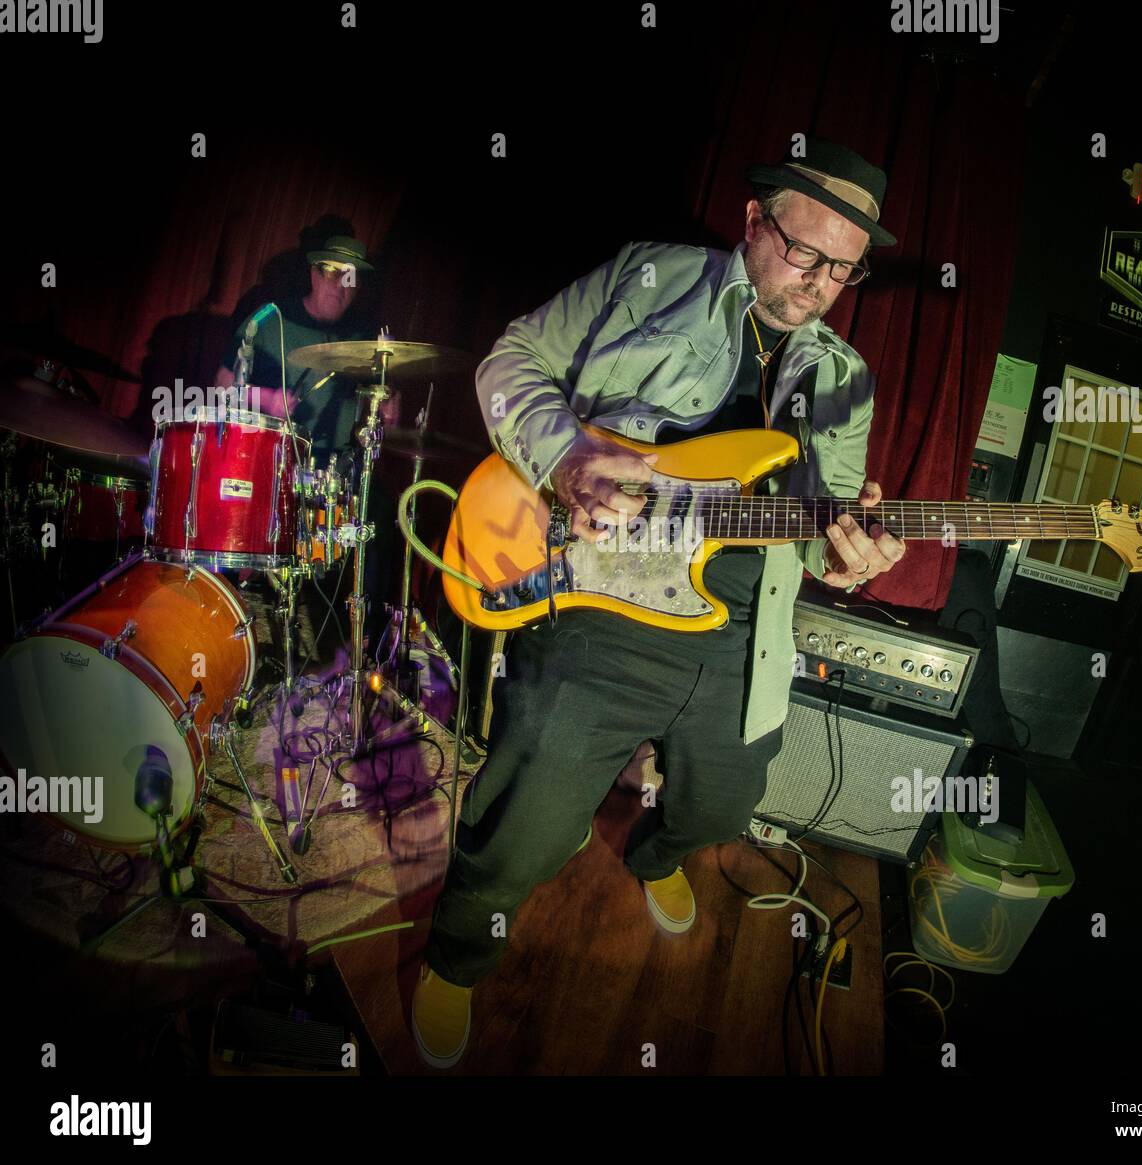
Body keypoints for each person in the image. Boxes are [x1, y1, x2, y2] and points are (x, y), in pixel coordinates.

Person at [411, 140, 907, 1068]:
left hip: (741, 628)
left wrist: (846, 559)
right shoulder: (647, 276)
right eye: (806, 253)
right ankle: (458, 952)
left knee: (724, 806)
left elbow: (819, 525)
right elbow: (509, 361)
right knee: (531, 813)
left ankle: (651, 854)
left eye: (843, 268)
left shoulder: (844, 377)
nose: (818, 284)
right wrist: (568, 457)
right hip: (599, 588)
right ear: (756, 222)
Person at [214, 235, 397, 655]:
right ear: (315, 274)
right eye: (335, 277)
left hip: (336, 474)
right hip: (273, 465)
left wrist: (386, 406)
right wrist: (269, 399)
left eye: (351, 281)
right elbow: (222, 386)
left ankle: (362, 644)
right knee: (229, 496)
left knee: (383, 516)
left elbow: (379, 397)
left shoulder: (362, 337)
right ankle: (220, 615)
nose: (343, 288)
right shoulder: (271, 319)